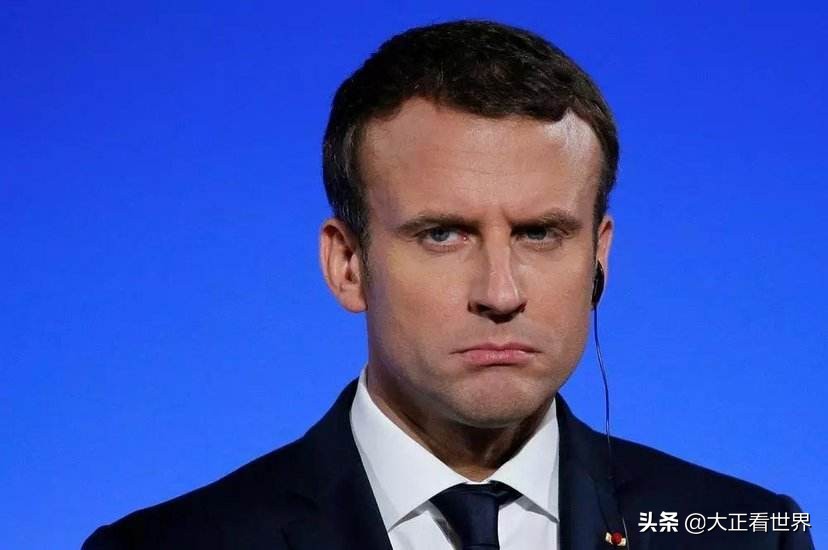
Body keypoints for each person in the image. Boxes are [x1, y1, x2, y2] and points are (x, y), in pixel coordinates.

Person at [83, 20, 813, 550]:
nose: (501, 292)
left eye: (540, 233)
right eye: (443, 235)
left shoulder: (750, 535)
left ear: (599, 257)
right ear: (347, 264)